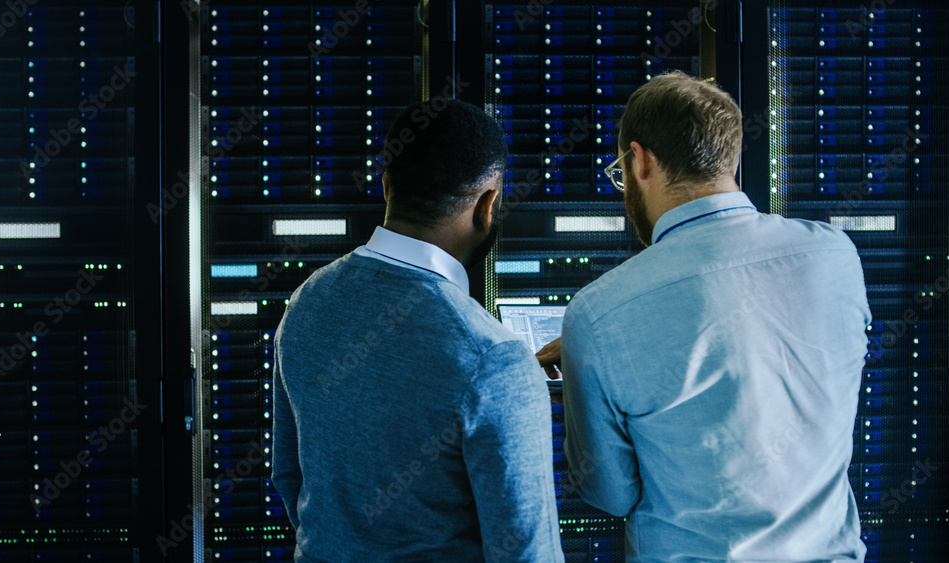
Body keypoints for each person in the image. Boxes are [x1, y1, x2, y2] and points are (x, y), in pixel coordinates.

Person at [537, 71, 869, 561]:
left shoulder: (597, 312)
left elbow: (610, 494)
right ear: (732, 158)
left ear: (641, 160)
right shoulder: (835, 255)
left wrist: (591, 363)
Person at [272, 98, 564, 562]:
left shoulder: (307, 301)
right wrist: (509, 386)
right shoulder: (492, 359)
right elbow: (527, 552)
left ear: (386, 187)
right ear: (489, 205)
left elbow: (289, 477)